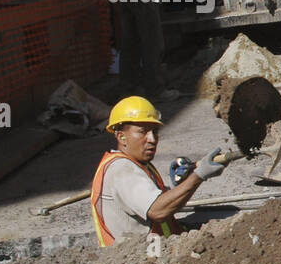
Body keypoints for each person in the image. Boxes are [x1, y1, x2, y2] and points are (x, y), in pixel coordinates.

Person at [90, 96, 229, 248]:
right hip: (138, 262)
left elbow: (160, 205)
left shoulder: (140, 164)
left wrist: (178, 187)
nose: (152, 139)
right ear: (121, 136)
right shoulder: (122, 169)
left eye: (155, 132)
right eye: (142, 132)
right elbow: (158, 210)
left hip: (155, 253)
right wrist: (198, 176)